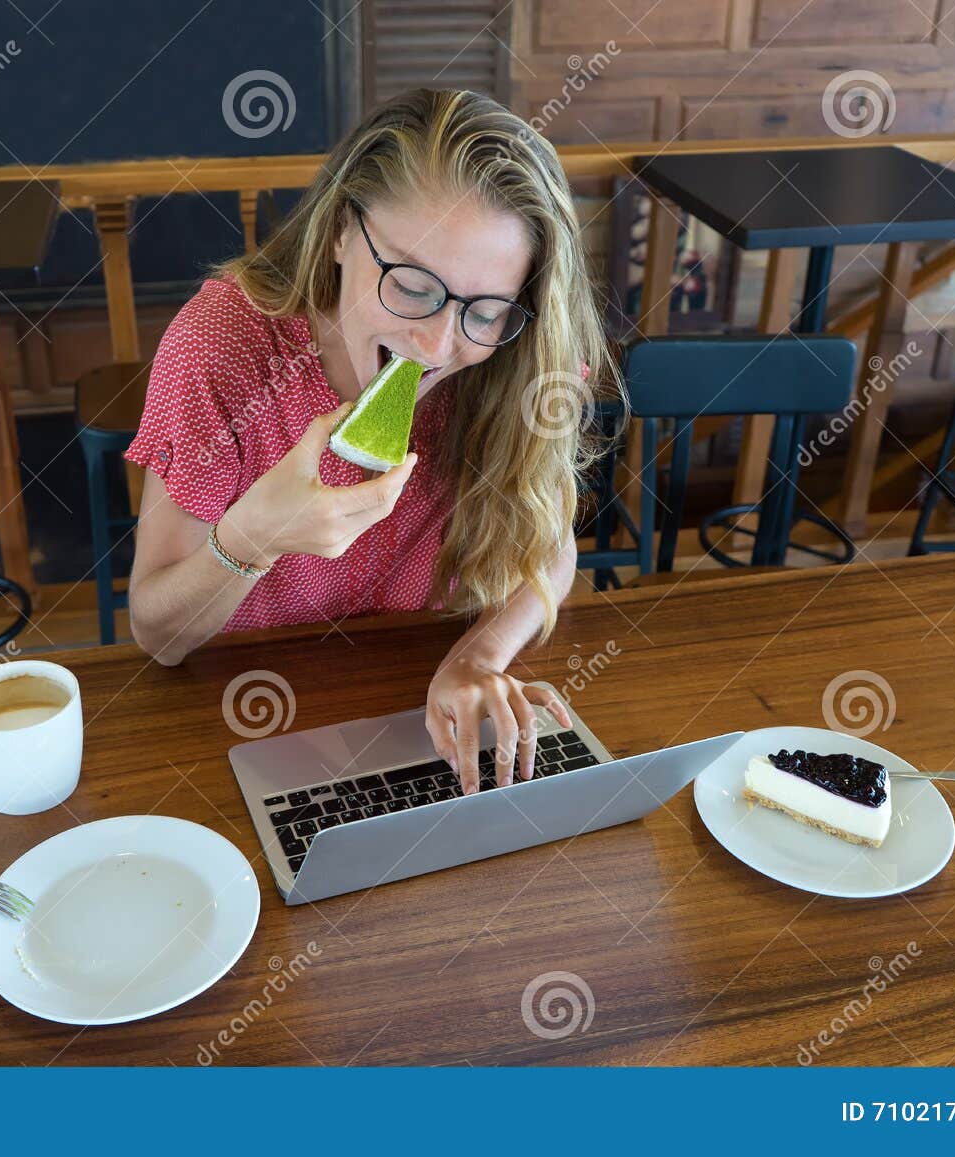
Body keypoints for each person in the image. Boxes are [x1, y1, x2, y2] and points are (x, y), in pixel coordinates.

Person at [125, 88, 622, 794]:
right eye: (413, 286)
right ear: (336, 229)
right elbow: (158, 634)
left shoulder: (519, 360)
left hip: (416, 718)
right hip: (247, 723)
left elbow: (553, 545)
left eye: (483, 310)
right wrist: (251, 540)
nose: (438, 343)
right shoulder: (221, 347)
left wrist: (480, 655)